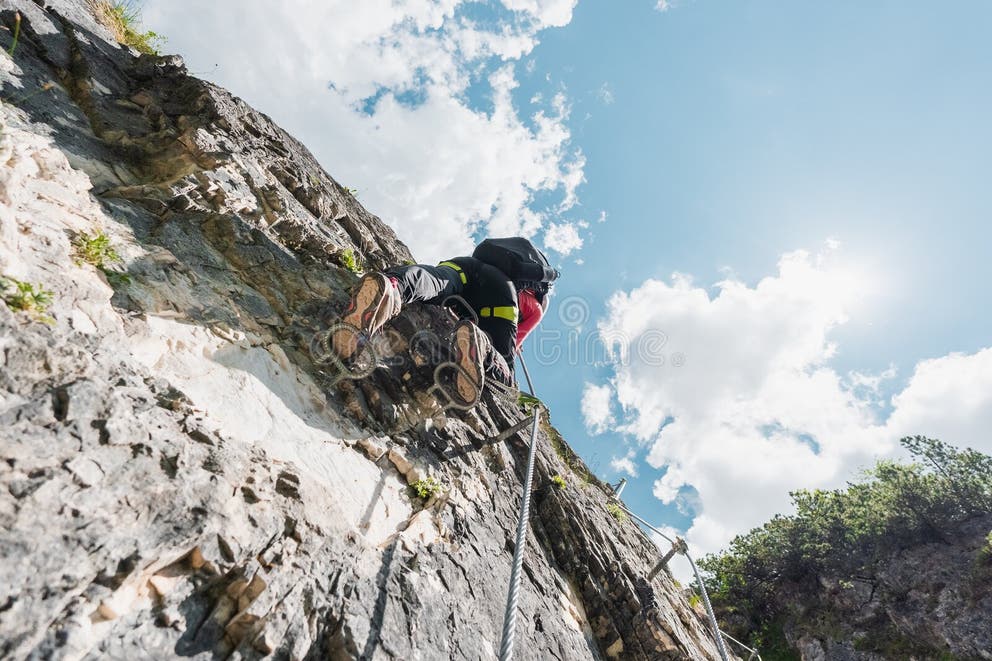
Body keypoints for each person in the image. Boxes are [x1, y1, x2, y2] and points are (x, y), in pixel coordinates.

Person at [331, 237, 556, 407]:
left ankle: (392, 287)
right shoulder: (538, 304)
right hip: (500, 292)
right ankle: (482, 346)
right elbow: (513, 345)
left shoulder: (502, 253)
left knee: (435, 281)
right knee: (505, 366)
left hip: (467, 266)